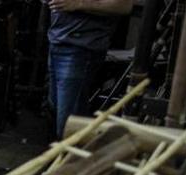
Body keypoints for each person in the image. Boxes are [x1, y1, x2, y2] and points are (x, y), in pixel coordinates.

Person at [46, 0, 133, 138]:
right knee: (58, 111)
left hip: (81, 49)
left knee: (69, 123)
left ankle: (70, 157)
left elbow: (124, 5)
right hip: (58, 42)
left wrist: (78, 4)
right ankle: (68, 156)